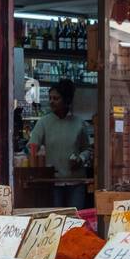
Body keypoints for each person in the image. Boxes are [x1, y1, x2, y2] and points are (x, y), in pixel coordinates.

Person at [28, 79, 90, 209]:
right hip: (53, 182)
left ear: (66, 101)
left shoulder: (79, 123)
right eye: (50, 98)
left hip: (76, 181)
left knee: (76, 219)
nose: (51, 101)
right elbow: (32, 147)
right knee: (56, 219)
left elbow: (87, 150)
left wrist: (81, 158)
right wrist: (35, 152)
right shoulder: (43, 123)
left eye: (56, 98)